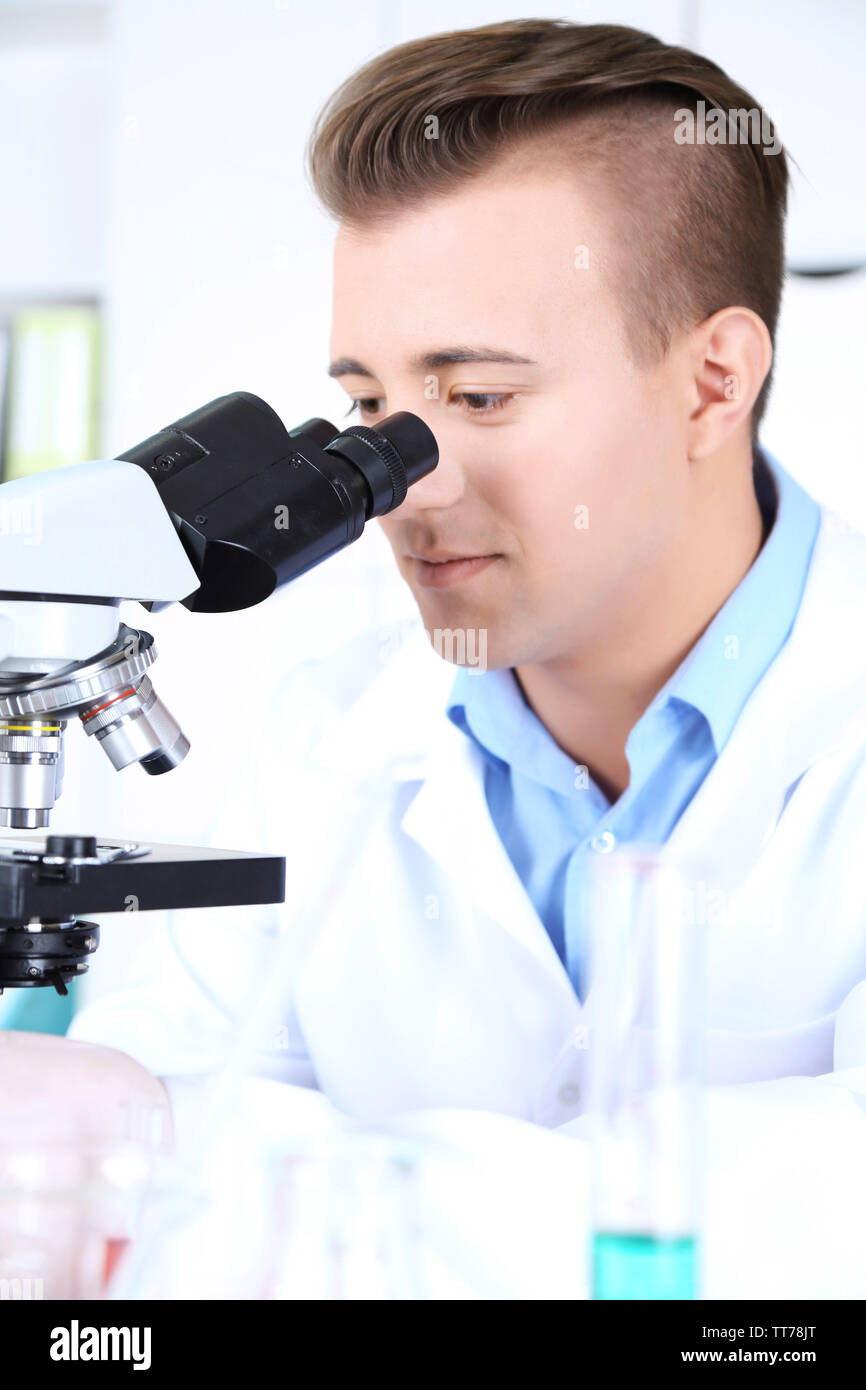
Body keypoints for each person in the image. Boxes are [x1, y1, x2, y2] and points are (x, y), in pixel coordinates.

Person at [68, 19, 866, 1125]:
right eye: (365, 408)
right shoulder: (322, 737)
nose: (406, 485)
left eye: (480, 395)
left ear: (710, 382)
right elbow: (149, 1123)